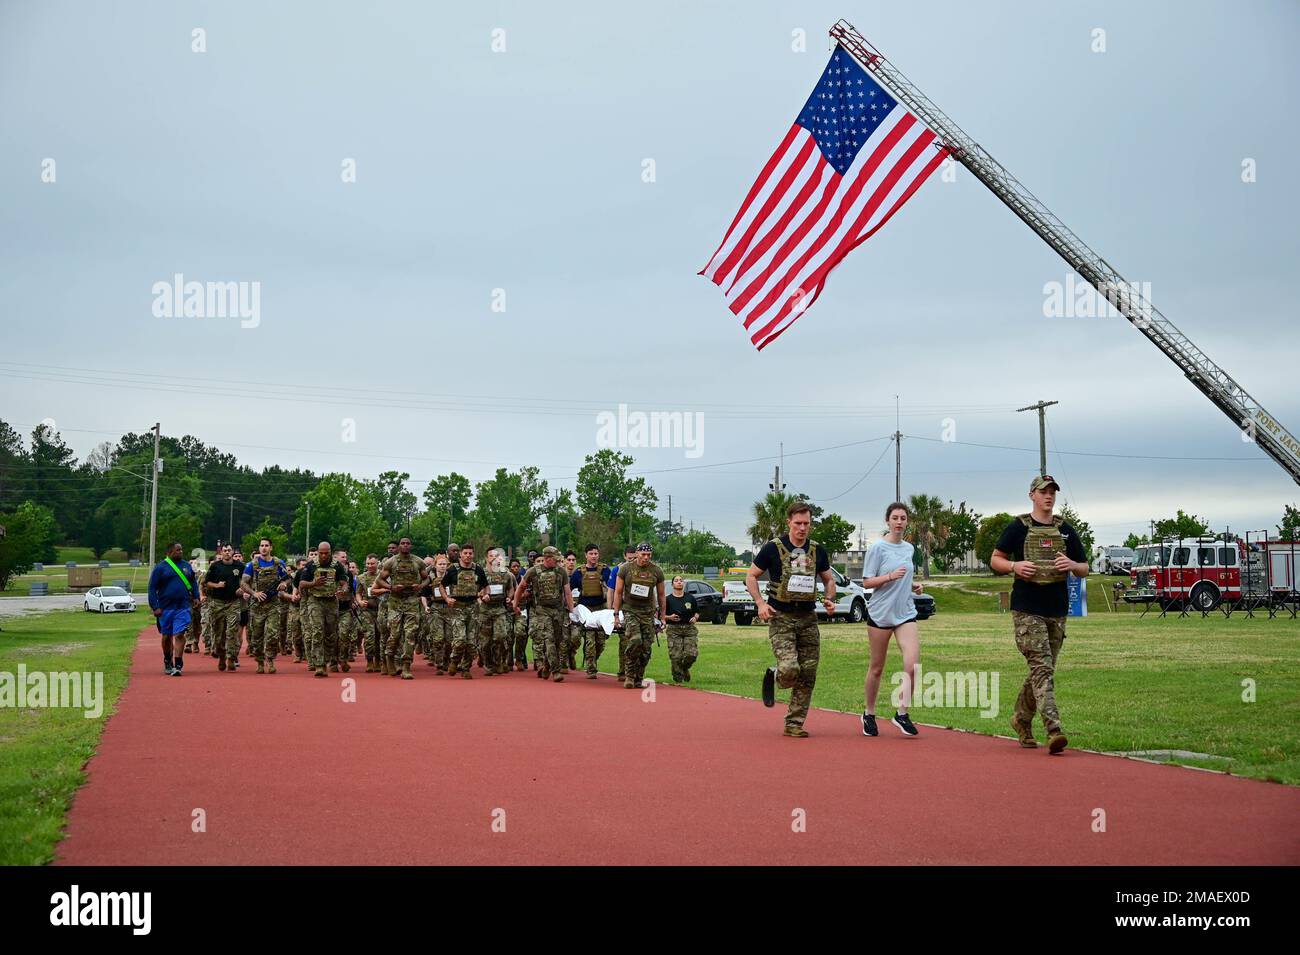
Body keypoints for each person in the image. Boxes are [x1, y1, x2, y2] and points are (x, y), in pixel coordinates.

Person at [991, 475, 1088, 754]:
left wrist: (1071, 564)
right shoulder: (1018, 527)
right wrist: (1014, 566)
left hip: (1056, 610)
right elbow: (995, 558)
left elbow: (1084, 568)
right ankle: (1054, 729)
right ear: (1031, 494)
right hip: (1027, 609)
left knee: (1042, 671)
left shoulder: (1066, 530)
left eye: (1052, 492)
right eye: (1043, 491)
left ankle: (1021, 719)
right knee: (1042, 669)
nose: (1048, 496)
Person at [750, 502, 836, 737]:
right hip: (781, 617)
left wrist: (829, 598)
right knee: (790, 668)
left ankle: (794, 724)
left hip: (808, 618)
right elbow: (751, 575)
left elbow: (829, 579)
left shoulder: (818, 551)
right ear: (789, 522)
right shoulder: (772, 549)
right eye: (798, 523)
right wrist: (760, 603)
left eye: (806, 523)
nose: (802, 528)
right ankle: (776, 673)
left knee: (808, 674)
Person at [860, 503, 925, 738]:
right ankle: (869, 713)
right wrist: (889, 577)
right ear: (887, 521)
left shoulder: (909, 548)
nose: (899, 522)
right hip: (880, 613)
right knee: (877, 668)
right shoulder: (877, 548)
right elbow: (866, 582)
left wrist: (913, 585)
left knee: (912, 664)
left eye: (903, 518)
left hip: (905, 612)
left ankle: (902, 713)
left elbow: (906, 576)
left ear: (907, 522)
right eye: (895, 518)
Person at [514, 546, 574, 682]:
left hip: (557, 611)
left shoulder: (561, 572)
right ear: (547, 558)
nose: (558, 562)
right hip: (541, 610)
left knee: (558, 641)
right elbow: (520, 588)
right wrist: (515, 604)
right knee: (549, 639)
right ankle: (556, 671)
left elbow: (567, 592)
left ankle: (547, 666)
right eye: (555, 559)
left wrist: (572, 611)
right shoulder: (533, 572)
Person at [612, 543, 666, 689]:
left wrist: (662, 616)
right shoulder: (626, 569)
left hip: (648, 612)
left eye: (649, 555)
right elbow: (618, 592)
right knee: (635, 640)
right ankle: (629, 675)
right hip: (630, 610)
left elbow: (661, 595)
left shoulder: (656, 571)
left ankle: (638, 678)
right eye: (643, 554)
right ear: (637, 553)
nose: (646, 558)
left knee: (646, 649)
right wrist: (616, 614)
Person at [374, 537, 429, 679]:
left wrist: (420, 586)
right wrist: (391, 587)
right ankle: (390, 657)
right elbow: (379, 580)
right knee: (395, 634)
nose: (405, 546)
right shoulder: (391, 562)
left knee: (410, 634)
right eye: (402, 544)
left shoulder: (418, 561)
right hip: (395, 602)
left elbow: (427, 578)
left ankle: (406, 666)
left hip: (412, 601)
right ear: (399, 546)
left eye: (408, 544)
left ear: (411, 546)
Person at [147, 541, 199, 676]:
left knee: (180, 634)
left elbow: (193, 582)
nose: (180, 552)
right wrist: (155, 606)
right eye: (177, 550)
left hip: (182, 606)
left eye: (181, 550)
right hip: (165, 608)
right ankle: (167, 660)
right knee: (166, 636)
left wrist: (196, 597)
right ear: (169, 552)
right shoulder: (160, 568)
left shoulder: (186, 566)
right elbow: (152, 588)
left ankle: (178, 664)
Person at [300, 542, 350, 678]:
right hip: (315, 601)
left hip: (331, 602)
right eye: (321, 553)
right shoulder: (311, 565)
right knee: (317, 631)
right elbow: (302, 584)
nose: (323, 555)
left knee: (330, 635)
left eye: (326, 553)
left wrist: (343, 590)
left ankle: (327, 659)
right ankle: (319, 665)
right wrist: (314, 583)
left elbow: (344, 582)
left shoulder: (337, 566)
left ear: (330, 552)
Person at [240, 537, 288, 674]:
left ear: (271, 548)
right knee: (256, 636)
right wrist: (254, 593)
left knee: (272, 633)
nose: (264, 548)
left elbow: (288, 579)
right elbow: (243, 583)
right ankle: (260, 661)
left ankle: (271, 660)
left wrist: (284, 584)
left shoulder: (279, 563)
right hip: (258, 605)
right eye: (261, 545)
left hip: (273, 604)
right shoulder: (252, 565)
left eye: (266, 545)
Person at [443, 544, 488, 678]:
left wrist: (484, 593)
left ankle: (466, 668)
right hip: (457, 607)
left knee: (471, 642)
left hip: (473, 607)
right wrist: (446, 598)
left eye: (470, 553)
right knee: (460, 639)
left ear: (473, 555)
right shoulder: (452, 569)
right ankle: (454, 660)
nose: (468, 556)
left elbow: (485, 586)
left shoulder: (478, 569)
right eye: (465, 553)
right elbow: (441, 585)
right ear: (461, 555)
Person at [571, 544, 609, 679]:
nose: (593, 556)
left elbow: (611, 589)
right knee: (590, 641)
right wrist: (572, 608)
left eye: (596, 554)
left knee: (601, 642)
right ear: (586, 555)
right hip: (585, 610)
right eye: (591, 554)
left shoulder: (605, 570)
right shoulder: (578, 573)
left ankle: (592, 659)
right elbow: (569, 590)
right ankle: (591, 668)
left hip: (601, 609)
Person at [204, 544, 244, 672]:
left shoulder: (239, 566)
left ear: (233, 552)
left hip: (233, 602)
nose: (227, 552)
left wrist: (242, 589)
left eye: (229, 550)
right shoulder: (215, 566)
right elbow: (207, 582)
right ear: (221, 552)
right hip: (218, 603)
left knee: (232, 631)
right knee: (219, 632)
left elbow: (247, 581)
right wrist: (217, 585)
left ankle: (231, 658)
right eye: (225, 550)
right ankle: (221, 656)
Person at [479, 548, 517, 675]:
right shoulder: (481, 573)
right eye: (491, 556)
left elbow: (511, 588)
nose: (494, 558)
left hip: (499, 609)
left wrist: (509, 597)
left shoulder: (505, 573)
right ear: (487, 558)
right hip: (485, 610)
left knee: (500, 636)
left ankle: (499, 661)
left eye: (496, 556)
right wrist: (481, 595)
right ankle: (488, 664)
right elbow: (474, 590)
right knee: (485, 641)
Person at [665, 575, 700, 683]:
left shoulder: (690, 598)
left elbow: (697, 612)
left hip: (689, 629)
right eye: (676, 581)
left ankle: (684, 668)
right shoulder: (668, 599)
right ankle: (678, 678)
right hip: (673, 629)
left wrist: (695, 617)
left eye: (681, 580)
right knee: (676, 656)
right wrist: (669, 617)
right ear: (672, 585)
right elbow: (660, 615)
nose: (679, 582)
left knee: (691, 654)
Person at [611, 544, 637, 680]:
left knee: (637, 642)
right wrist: (612, 610)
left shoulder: (643, 570)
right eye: (629, 558)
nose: (632, 561)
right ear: (624, 556)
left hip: (639, 610)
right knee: (624, 640)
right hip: (623, 608)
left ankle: (634, 672)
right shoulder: (619, 570)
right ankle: (623, 671)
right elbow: (614, 591)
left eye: (634, 558)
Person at [357, 554, 383, 672]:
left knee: (380, 635)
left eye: (372, 563)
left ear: (377, 564)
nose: (370, 566)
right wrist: (360, 601)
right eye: (368, 564)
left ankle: (379, 659)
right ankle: (369, 660)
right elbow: (358, 593)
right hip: (367, 610)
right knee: (369, 635)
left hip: (381, 609)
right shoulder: (361, 577)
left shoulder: (383, 576)